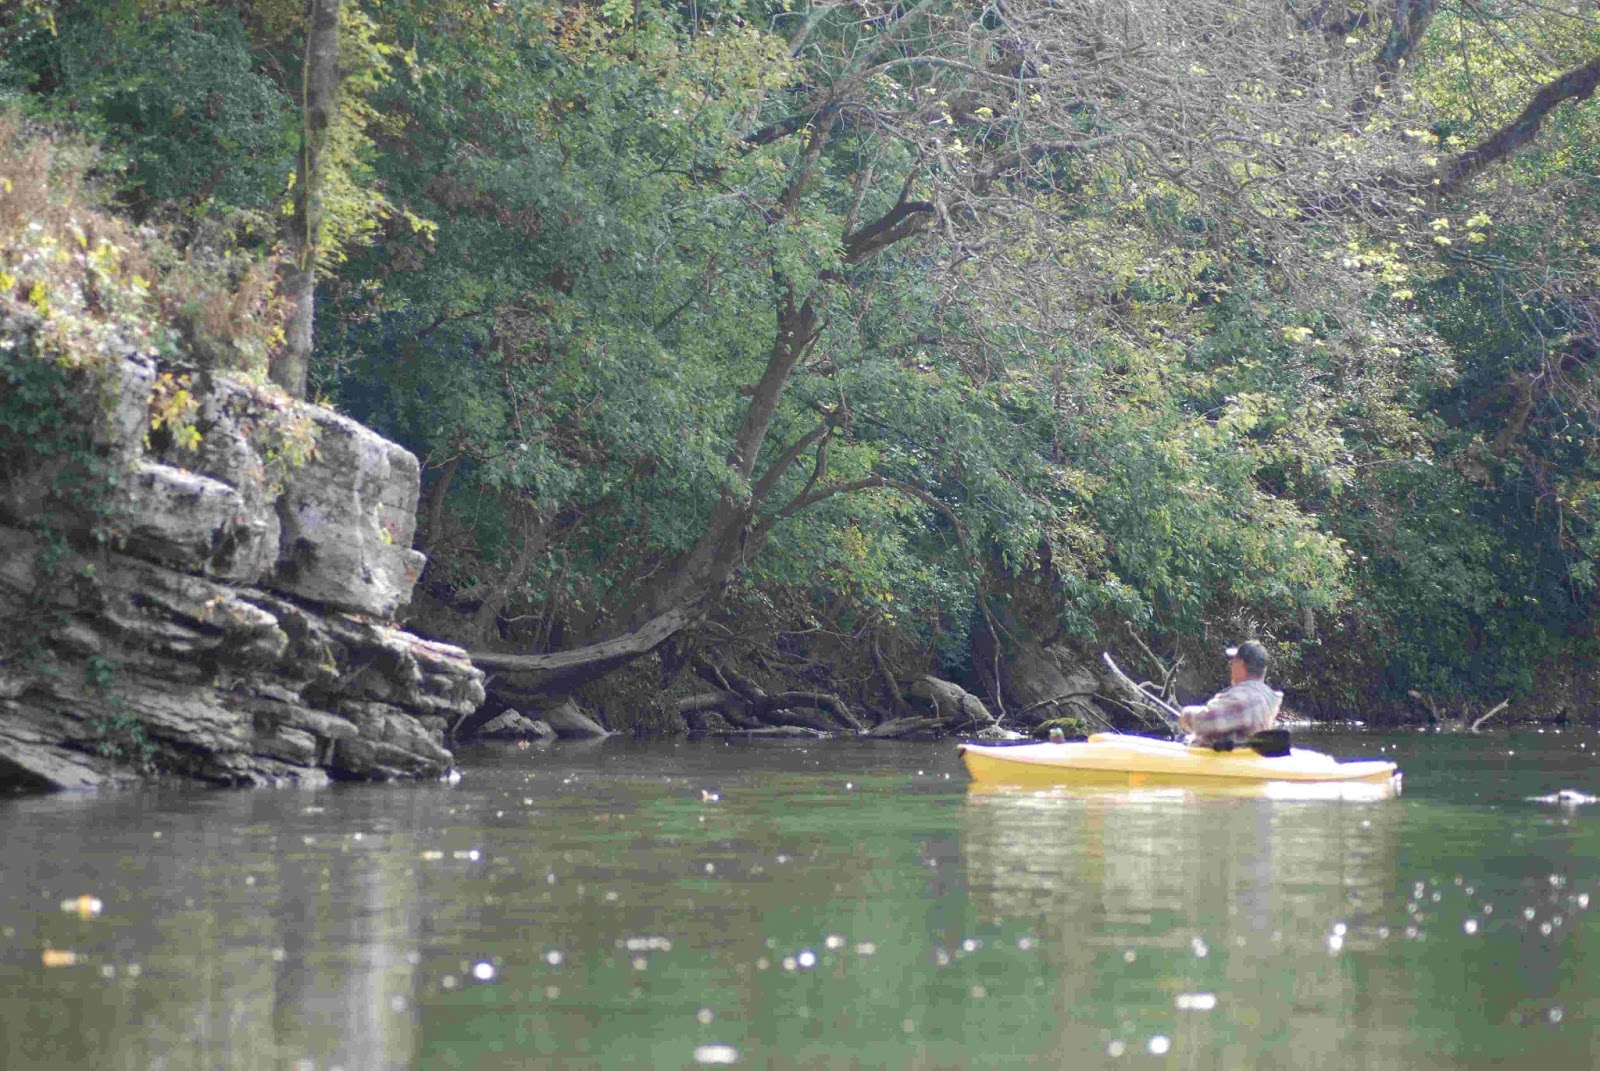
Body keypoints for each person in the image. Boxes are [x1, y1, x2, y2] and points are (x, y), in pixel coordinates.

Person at [1179, 641, 1282, 746]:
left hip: (1223, 759)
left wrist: (1186, 714)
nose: (1230, 665)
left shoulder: (1246, 697)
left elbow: (1203, 721)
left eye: (1232, 662)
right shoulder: (1267, 697)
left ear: (1241, 664)